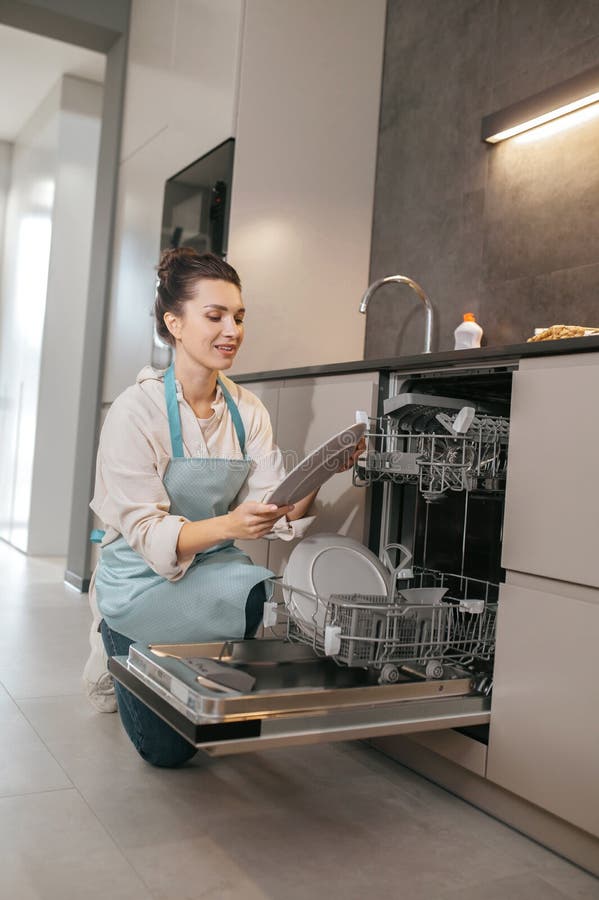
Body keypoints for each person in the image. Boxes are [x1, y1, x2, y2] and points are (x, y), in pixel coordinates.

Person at [83, 248, 362, 767]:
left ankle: (191, 666)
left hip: (212, 569)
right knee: (167, 755)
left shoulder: (246, 409)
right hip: (142, 578)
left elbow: (274, 506)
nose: (231, 329)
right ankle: (116, 635)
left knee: (252, 593)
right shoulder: (134, 412)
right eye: (214, 316)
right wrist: (231, 524)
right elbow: (147, 531)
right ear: (175, 323)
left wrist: (326, 468)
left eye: (238, 317)